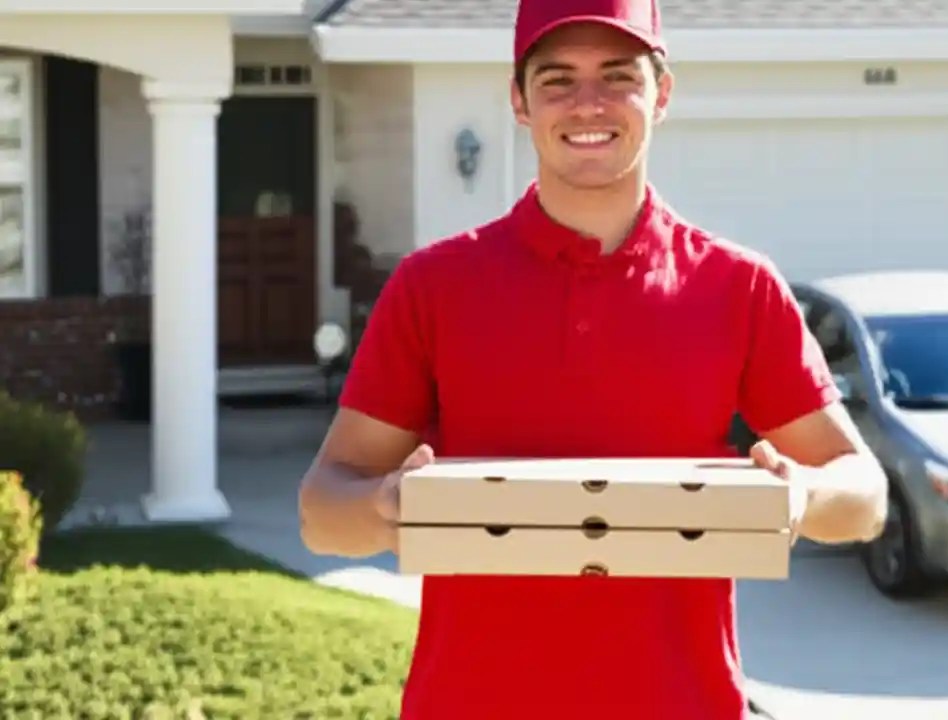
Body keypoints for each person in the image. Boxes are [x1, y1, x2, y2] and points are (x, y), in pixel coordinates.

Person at [297, 0, 889, 717]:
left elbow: (865, 497)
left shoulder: (739, 288)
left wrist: (799, 497)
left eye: (617, 76)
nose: (588, 104)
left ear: (661, 93)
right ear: (518, 100)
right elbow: (322, 511)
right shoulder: (434, 288)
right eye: (557, 80)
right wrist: (386, 507)